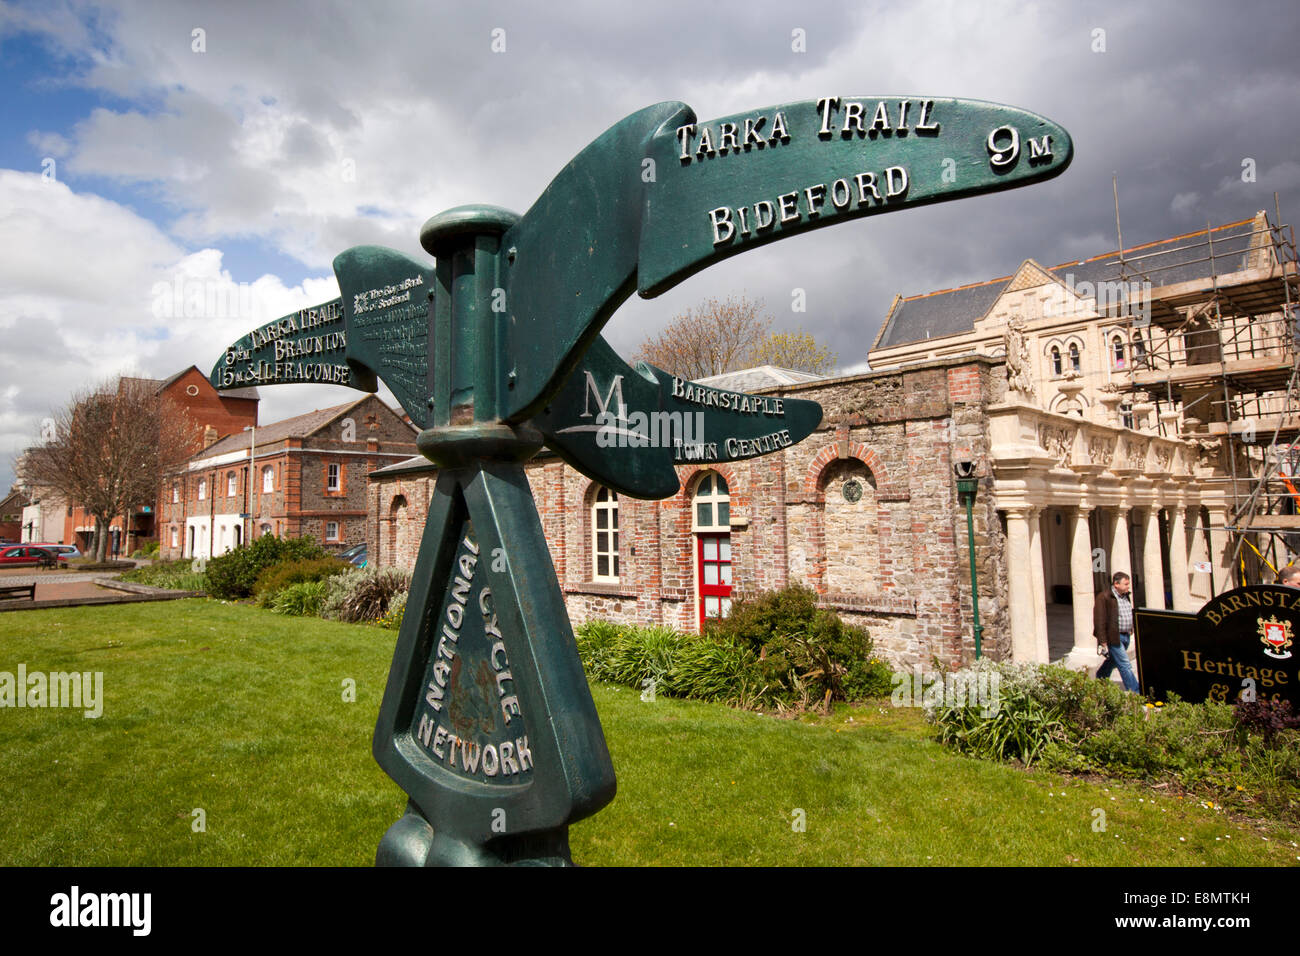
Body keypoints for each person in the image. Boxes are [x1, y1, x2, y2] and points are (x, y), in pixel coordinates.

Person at [1094, 570, 1141, 693]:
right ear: (1116, 584)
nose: (1128, 586)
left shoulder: (1125, 595)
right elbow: (1099, 620)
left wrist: (1131, 628)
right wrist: (1103, 641)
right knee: (1124, 664)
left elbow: (1126, 613)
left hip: (1125, 635)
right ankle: (1136, 691)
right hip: (1113, 636)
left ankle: (1100, 677)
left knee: (1114, 660)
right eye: (1125, 584)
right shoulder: (1104, 597)